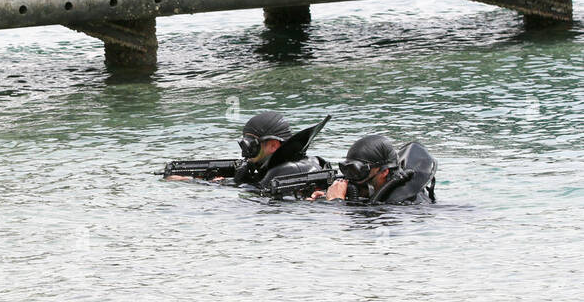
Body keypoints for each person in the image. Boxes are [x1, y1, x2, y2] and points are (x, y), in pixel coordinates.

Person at [165, 111, 330, 189]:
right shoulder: (293, 163)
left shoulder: (284, 171)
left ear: (273, 145)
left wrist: (194, 182)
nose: (245, 151)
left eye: (252, 144)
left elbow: (253, 195)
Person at [314, 134, 438, 204]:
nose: (353, 178)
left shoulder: (403, 204)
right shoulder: (379, 193)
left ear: (384, 171)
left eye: (359, 171)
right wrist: (325, 197)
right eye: (348, 170)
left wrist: (336, 201)